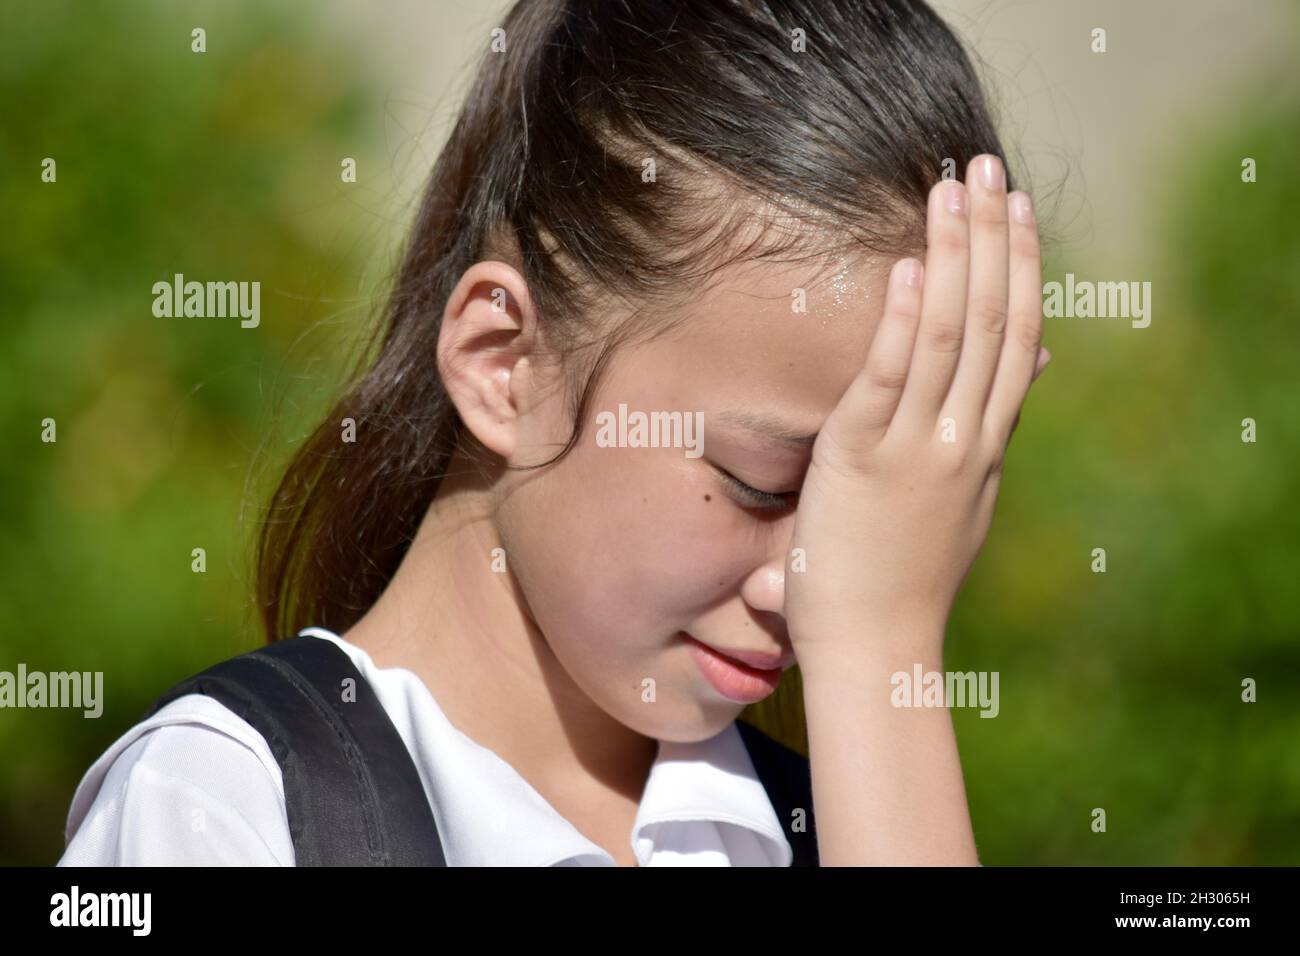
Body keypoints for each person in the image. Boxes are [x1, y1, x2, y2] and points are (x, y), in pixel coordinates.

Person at [60, 0, 1049, 866]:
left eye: (881, 514)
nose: (824, 575)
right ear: (504, 363)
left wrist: (879, 662)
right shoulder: (226, 805)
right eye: (761, 480)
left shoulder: (843, 815)